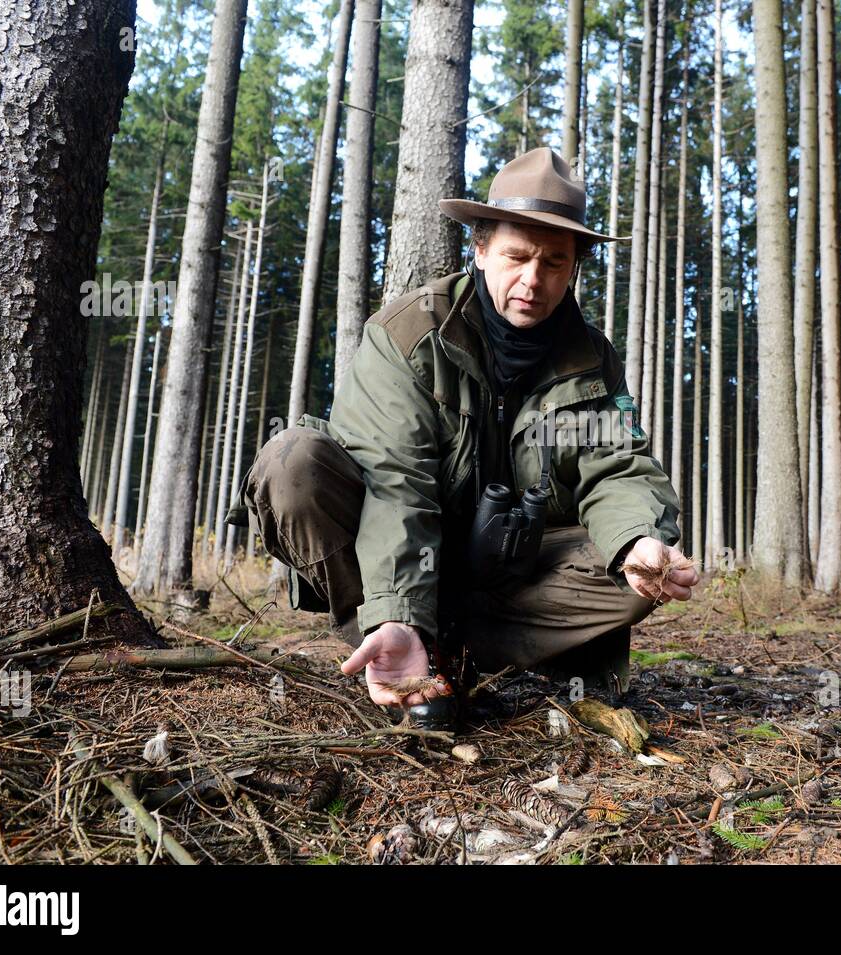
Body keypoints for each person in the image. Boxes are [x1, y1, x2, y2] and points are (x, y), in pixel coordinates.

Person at [233, 147, 699, 730]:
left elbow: (616, 464)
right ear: (480, 250)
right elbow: (394, 487)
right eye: (517, 256)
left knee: (630, 578)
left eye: (555, 262)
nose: (534, 279)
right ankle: (398, 642)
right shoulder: (407, 336)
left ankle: (462, 653)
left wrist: (636, 540)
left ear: (575, 265)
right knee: (292, 462)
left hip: (511, 570)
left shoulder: (591, 357)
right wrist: (403, 612)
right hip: (407, 541)